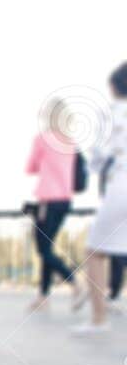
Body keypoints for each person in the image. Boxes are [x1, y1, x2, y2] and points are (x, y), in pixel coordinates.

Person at [75, 66, 127, 333]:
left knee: (94, 252)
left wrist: (91, 169)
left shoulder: (112, 112)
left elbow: (97, 156)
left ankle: (99, 320)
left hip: (121, 186)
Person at [26, 97, 80, 312]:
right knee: (46, 248)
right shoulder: (70, 141)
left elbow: (30, 167)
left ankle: (75, 283)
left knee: (43, 250)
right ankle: (43, 297)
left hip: (48, 200)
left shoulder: (43, 139)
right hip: (65, 201)